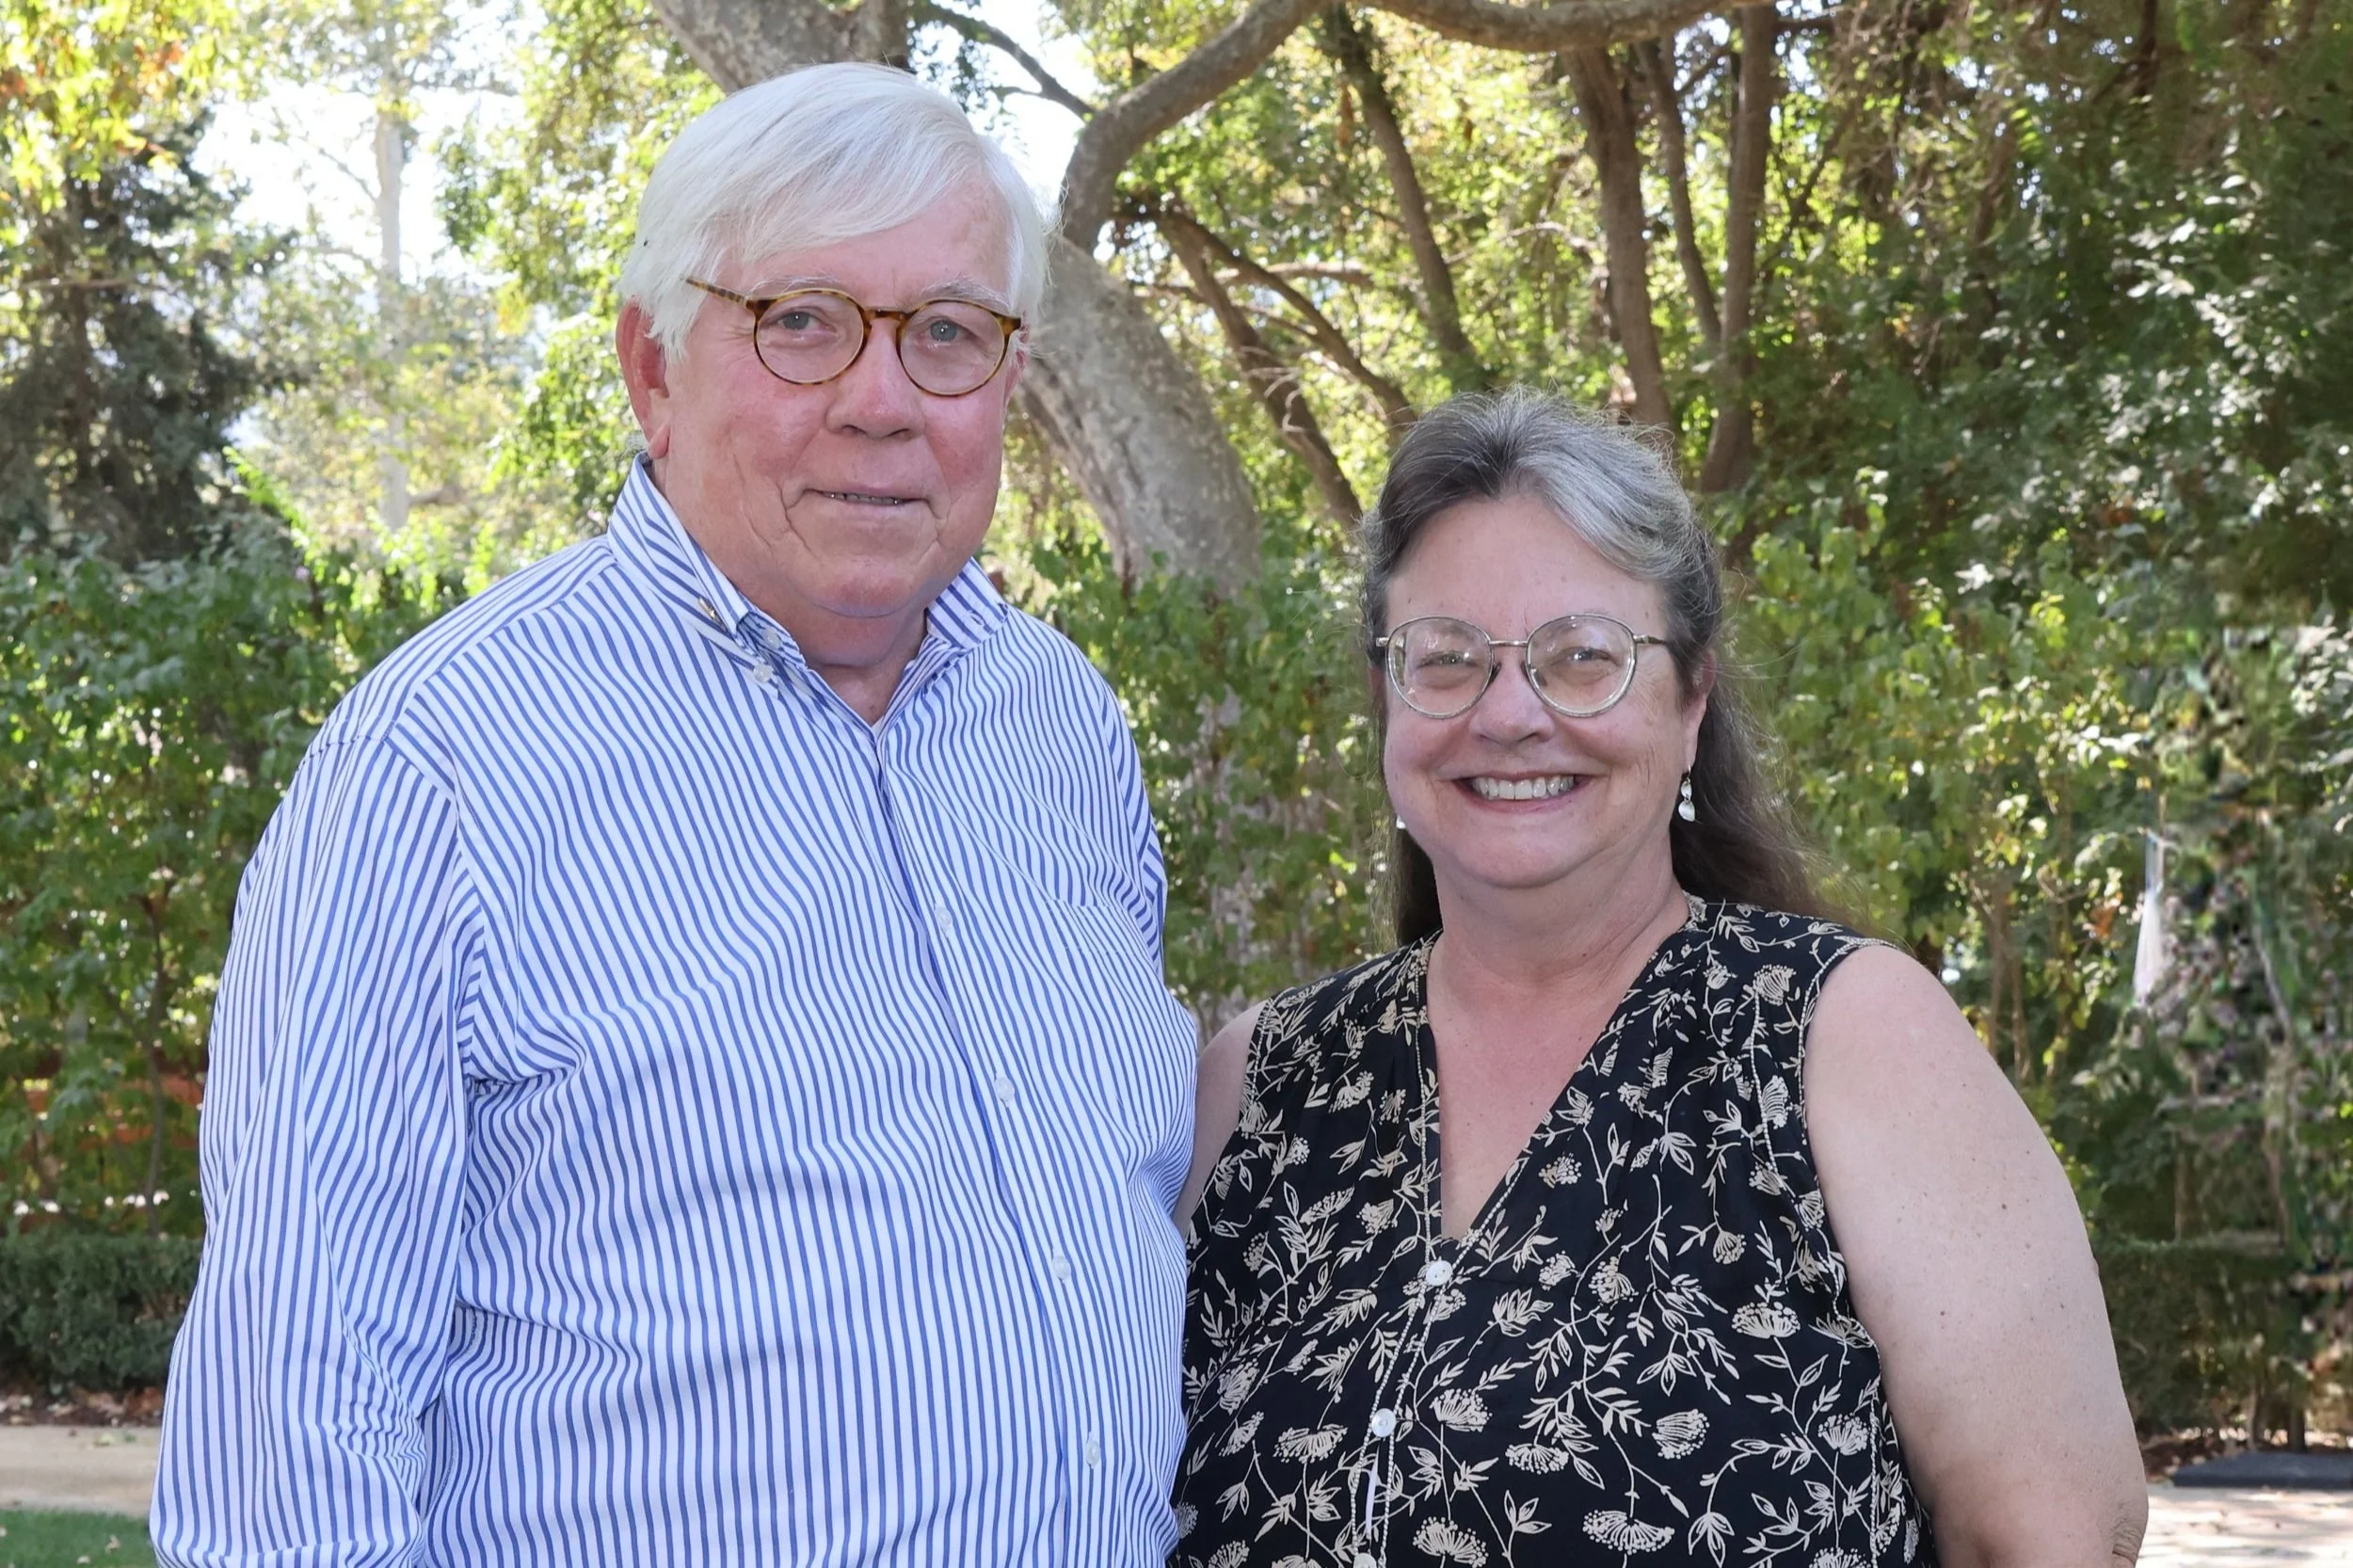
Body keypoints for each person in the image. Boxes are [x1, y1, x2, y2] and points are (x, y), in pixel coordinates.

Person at [152, 63, 1200, 1565]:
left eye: (950, 334)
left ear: (1008, 383)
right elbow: (288, 1442)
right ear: (653, 367)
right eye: (803, 323)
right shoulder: (440, 765)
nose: (884, 400)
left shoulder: (1063, 729)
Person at [1171, 392, 2147, 1568]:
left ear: (1690, 701)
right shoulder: (1262, 1082)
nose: (1512, 712)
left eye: (1582, 656)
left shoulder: (1845, 1039)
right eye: (1447, 659)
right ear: (1385, 697)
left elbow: (2049, 1539)